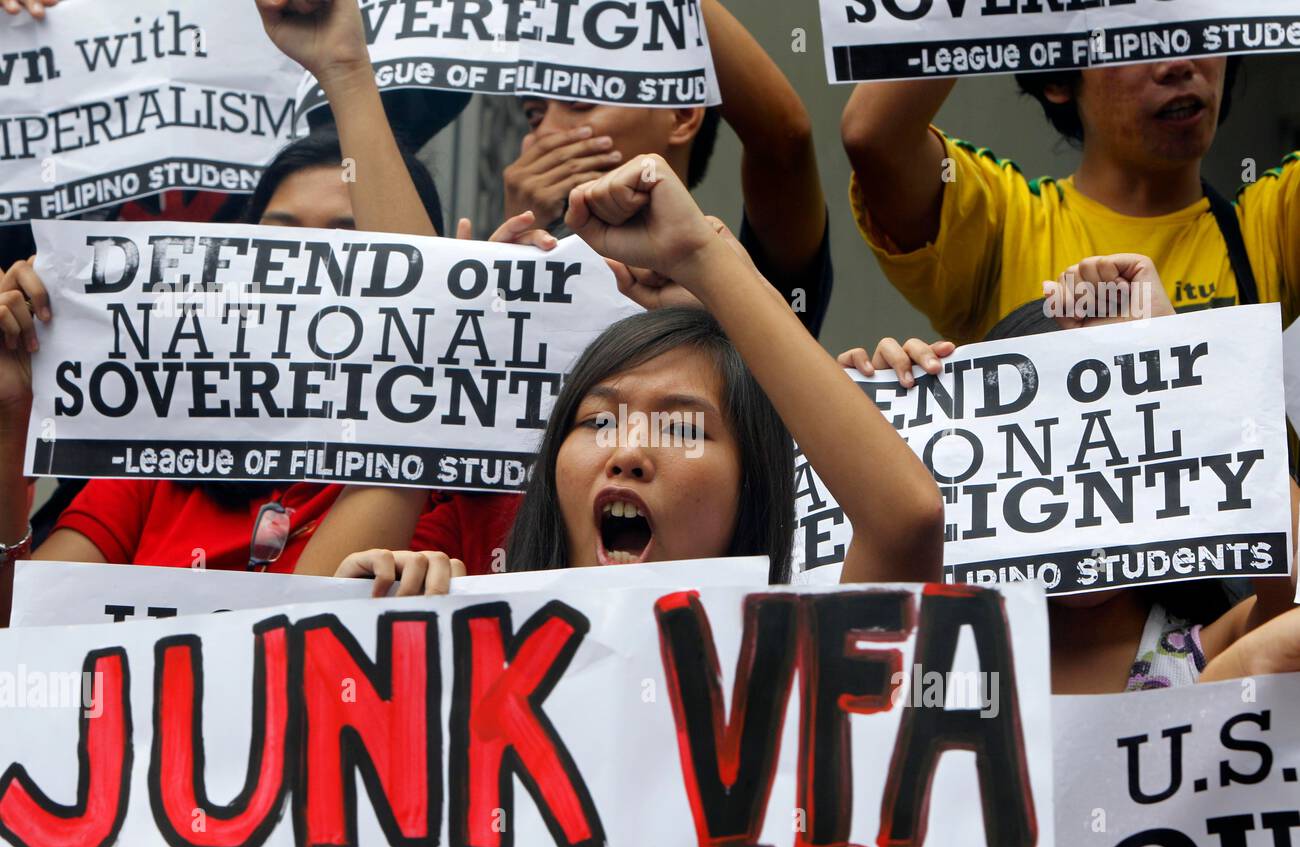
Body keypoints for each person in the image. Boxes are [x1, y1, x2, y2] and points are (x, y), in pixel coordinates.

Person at [0, 0, 545, 626]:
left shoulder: (451, 492)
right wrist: (9, 421)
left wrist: (343, 67)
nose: (311, 268)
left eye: (347, 245)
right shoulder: (165, 463)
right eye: (280, 242)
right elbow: (24, 632)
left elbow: (271, 652)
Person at [300, 150, 943, 597]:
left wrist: (703, 260)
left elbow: (905, 520)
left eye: (681, 426)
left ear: (755, 483)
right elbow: (270, 674)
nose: (628, 452)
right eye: (598, 420)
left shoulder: (801, 665)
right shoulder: (455, 633)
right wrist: (369, 611)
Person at [848, 254, 1300, 694]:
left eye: (1113, 450)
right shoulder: (936, 661)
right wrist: (859, 421)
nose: (1073, 490)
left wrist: (1174, 354)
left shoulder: (1212, 655)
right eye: (1035, 451)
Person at [840, 59, 1299, 347]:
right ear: (1058, 74)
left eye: (1195, 25)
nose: (1177, 63)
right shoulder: (1006, 222)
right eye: (1131, 38)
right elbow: (874, 137)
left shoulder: (1274, 219)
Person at [501, 0, 833, 338]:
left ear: (682, 116)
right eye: (533, 114)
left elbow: (782, 141)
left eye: (581, 101)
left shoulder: (745, 277)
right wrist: (505, 260)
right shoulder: (495, 255)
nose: (545, 132)